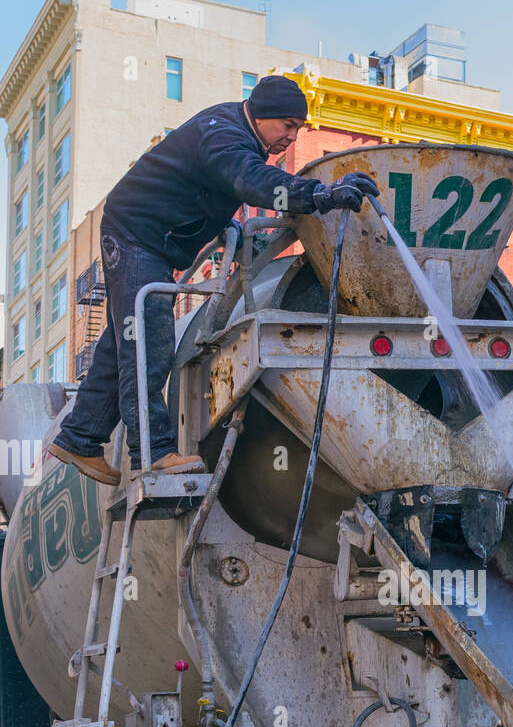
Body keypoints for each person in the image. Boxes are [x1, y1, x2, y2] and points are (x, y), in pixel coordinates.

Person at [49, 75, 378, 484]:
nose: (292, 137)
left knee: (123, 341)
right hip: (136, 235)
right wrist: (320, 195)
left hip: (151, 240)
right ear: (260, 115)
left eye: (298, 128)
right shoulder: (224, 136)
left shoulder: (236, 132)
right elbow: (253, 183)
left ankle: (79, 437)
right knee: (148, 340)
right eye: (287, 125)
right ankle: (154, 452)